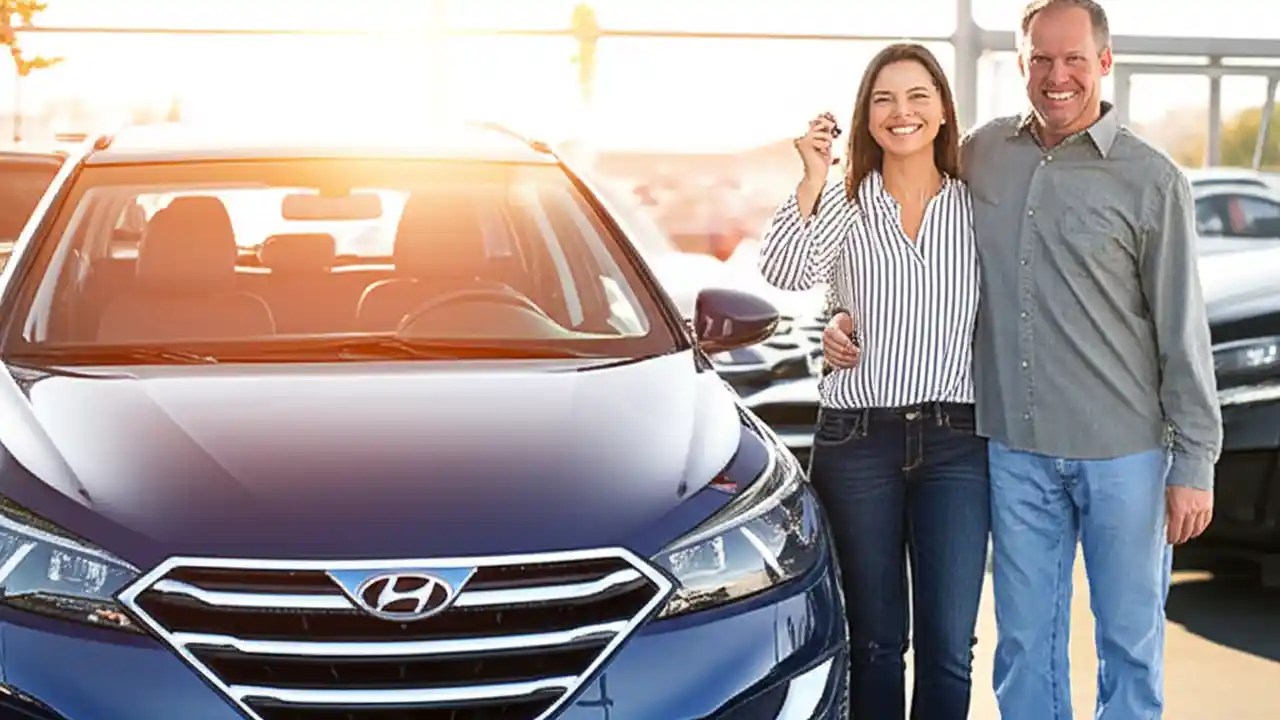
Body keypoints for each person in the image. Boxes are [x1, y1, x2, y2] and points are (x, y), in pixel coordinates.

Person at [820, 2, 1223, 718]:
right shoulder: (980, 153)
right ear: (1021, 64)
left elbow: (1181, 332)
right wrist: (841, 314)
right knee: (1023, 645)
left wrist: (1193, 463)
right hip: (1013, 450)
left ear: (1104, 62)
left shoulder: (1152, 180)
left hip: (1123, 454)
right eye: (1041, 58)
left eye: (1073, 59)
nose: (1056, 75)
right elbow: (899, 239)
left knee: (1130, 643)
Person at [756, 43, 988, 720]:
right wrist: (811, 175)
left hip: (958, 440)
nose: (902, 112)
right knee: (875, 643)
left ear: (944, 111)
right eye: (884, 99)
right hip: (858, 442)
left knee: (949, 646)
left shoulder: (977, 208)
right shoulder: (847, 202)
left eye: (918, 96)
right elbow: (785, 271)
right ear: (866, 115)